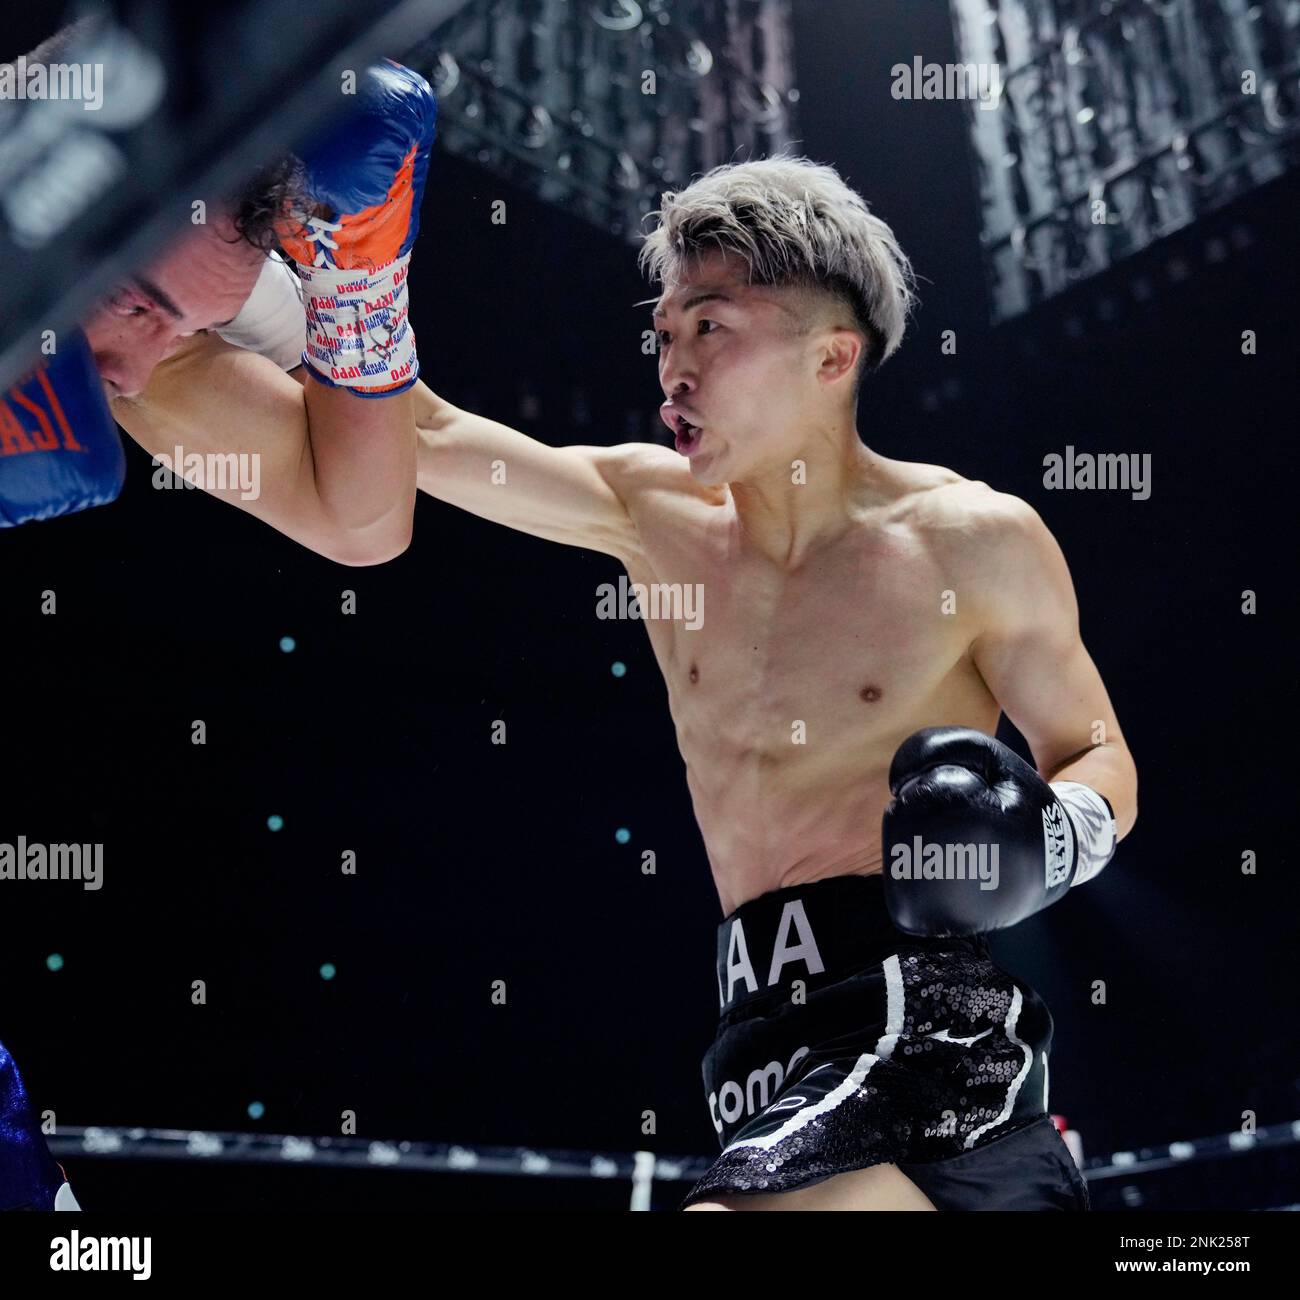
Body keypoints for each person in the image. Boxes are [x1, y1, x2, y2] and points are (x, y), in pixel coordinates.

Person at [70, 155, 1139, 1210]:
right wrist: (245, 313)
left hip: (919, 1022)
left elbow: (1099, 754)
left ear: (832, 357)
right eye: (664, 334)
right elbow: (423, 434)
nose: (672, 367)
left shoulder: (972, 540)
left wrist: (1052, 837)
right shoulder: (651, 513)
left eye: (710, 328)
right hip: (756, 1040)